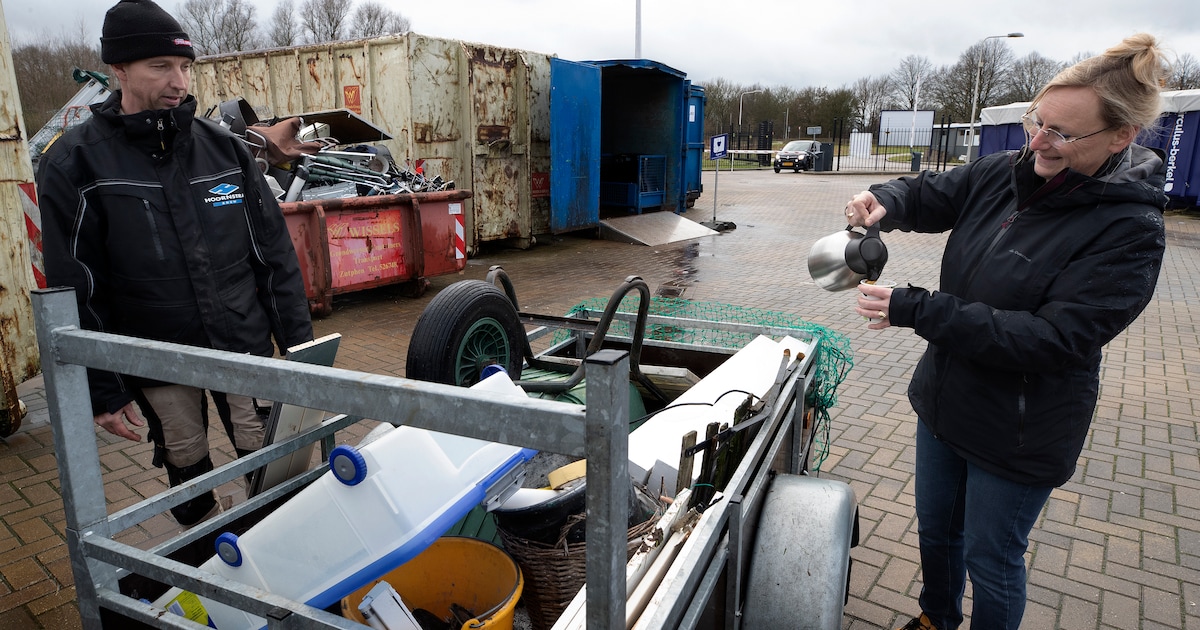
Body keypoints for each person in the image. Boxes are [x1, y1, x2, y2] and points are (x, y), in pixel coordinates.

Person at [843, 34, 1170, 630]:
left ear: (1120, 137)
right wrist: (883, 199)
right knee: (938, 534)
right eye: (1036, 121)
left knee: (990, 558)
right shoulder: (1009, 172)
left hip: (1021, 428)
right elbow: (932, 192)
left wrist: (919, 310)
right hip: (946, 400)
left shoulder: (1130, 230)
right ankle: (935, 618)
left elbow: (1053, 340)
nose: (1040, 142)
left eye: (1063, 134)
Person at [37, 0, 313, 527]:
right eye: (159, 66)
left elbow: (273, 258)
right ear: (118, 70)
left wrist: (303, 352)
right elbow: (77, 285)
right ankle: (205, 559)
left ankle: (283, 556)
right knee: (186, 467)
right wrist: (104, 388)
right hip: (159, 355)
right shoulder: (76, 162)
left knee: (274, 466)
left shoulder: (224, 151)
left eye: (185, 66)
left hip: (242, 346)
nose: (179, 80)